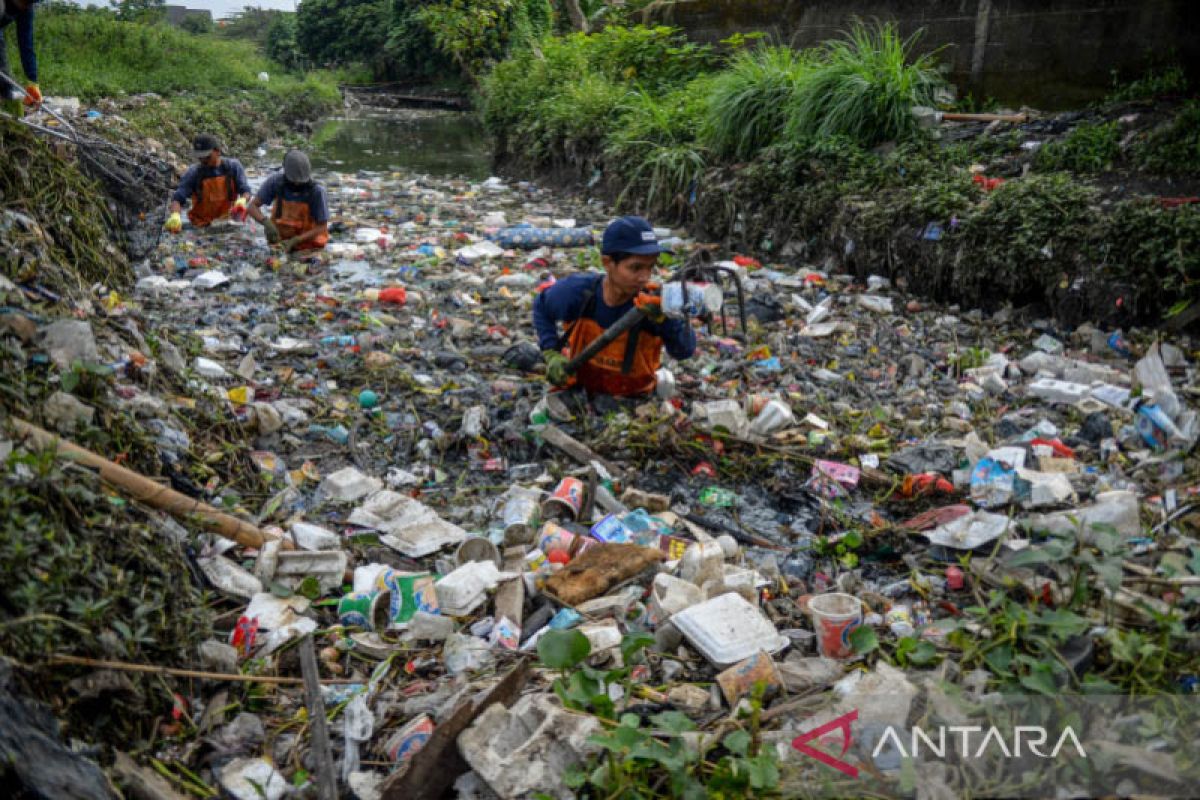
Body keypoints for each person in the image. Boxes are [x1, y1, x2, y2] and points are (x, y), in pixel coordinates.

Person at [533, 215, 696, 397]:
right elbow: (541, 305)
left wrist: (666, 319)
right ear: (607, 263)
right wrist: (551, 352)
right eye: (635, 268)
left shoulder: (653, 305)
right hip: (582, 390)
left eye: (650, 267)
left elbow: (684, 351)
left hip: (635, 399)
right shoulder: (579, 293)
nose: (645, 277)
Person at [165, 134, 252, 233]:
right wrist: (175, 215)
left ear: (217, 151)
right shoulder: (193, 173)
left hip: (229, 222)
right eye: (200, 157)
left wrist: (243, 200)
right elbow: (177, 199)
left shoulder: (233, 167)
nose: (203, 160)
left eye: (207, 157)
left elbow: (246, 191)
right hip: (201, 226)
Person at [247, 150, 330, 253]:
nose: (297, 184)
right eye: (294, 181)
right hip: (281, 242)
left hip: (309, 245)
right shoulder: (276, 182)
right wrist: (266, 222)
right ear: (285, 172)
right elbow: (252, 207)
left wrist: (297, 240)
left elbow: (322, 226)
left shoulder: (316, 192)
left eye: (300, 182)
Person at [0, 0, 41, 118]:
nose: (24, 6)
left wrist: (32, 80)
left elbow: (26, 45)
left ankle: (7, 116)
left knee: (5, 84)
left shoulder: (26, 8)